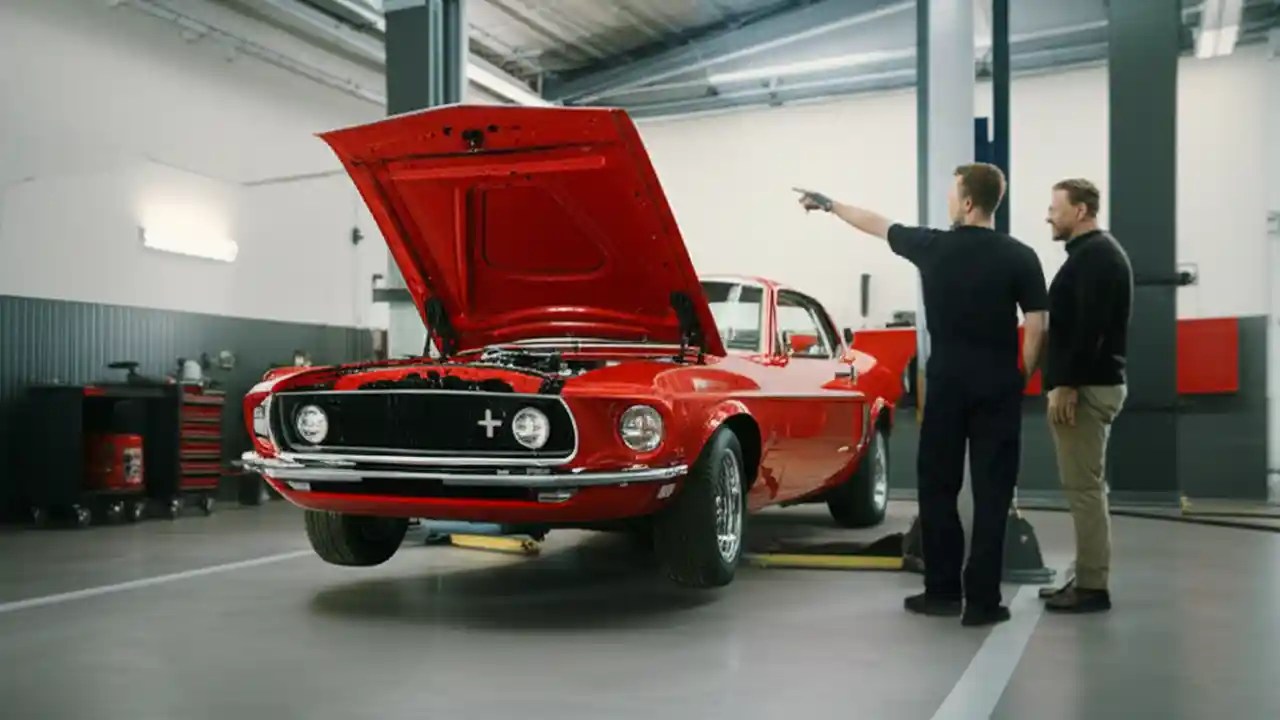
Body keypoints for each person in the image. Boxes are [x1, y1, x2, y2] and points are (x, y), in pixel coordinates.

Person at [795, 163, 1048, 627]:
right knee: (993, 495)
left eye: (954, 194)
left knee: (937, 490)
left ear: (969, 202)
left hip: (947, 385)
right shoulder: (1021, 256)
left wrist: (829, 205)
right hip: (997, 387)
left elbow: (875, 223)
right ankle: (984, 602)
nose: (950, 202)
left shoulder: (932, 246)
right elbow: (1038, 326)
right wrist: (1019, 376)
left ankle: (942, 593)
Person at [1039, 178, 1133, 614]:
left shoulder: (1095, 257)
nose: (1049, 216)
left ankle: (1093, 587)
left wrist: (1066, 384)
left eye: (1056, 208)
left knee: (1084, 489)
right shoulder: (1093, 255)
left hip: (1086, 388)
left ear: (1080, 211)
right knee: (1086, 487)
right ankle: (1086, 574)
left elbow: (1088, 331)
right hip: (1091, 383)